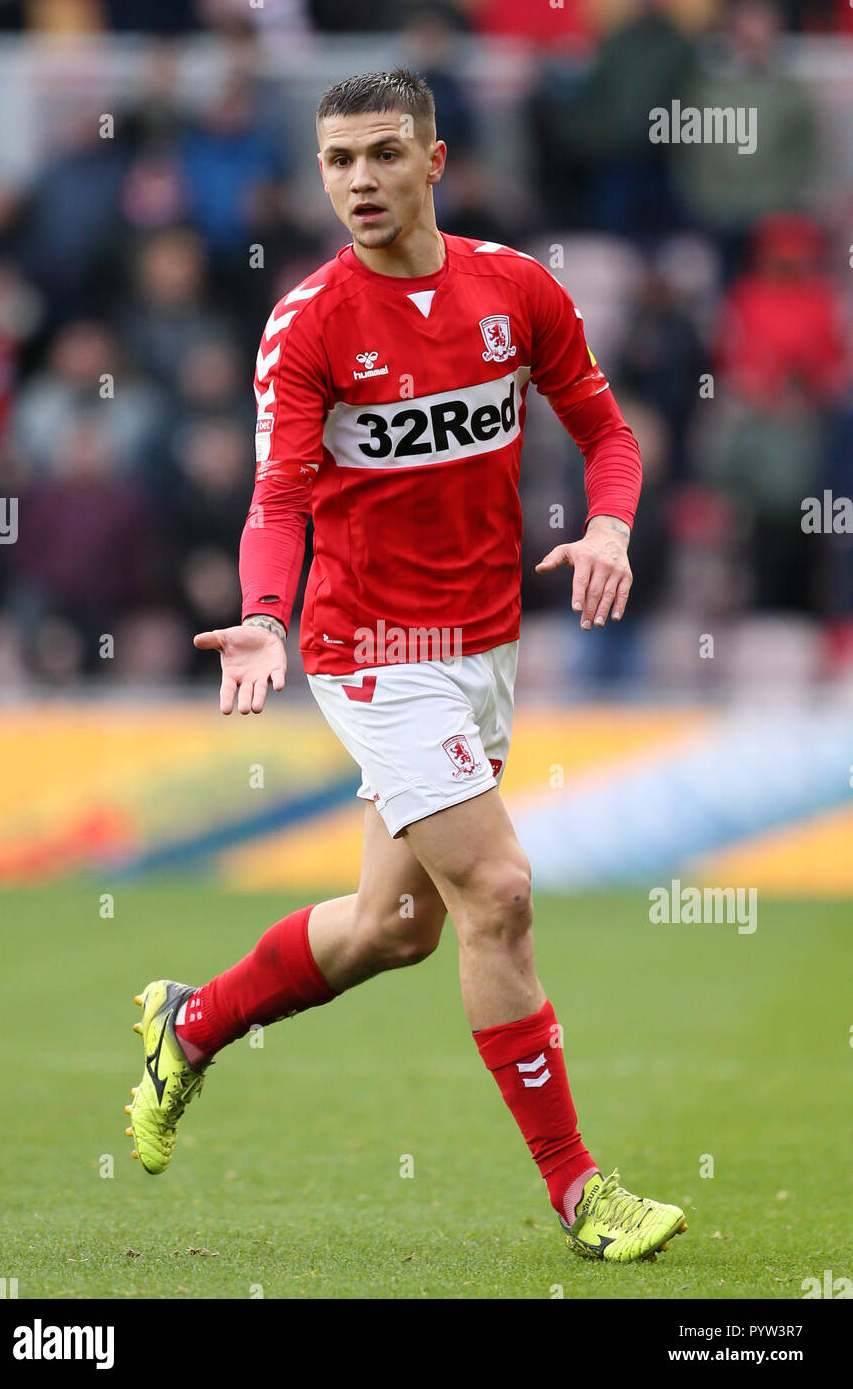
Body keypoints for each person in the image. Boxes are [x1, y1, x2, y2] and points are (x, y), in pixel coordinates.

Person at [125, 69, 687, 1266]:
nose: (359, 181)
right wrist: (264, 615)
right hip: (370, 650)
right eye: (336, 161)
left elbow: (604, 428)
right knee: (499, 892)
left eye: (383, 154)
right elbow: (276, 499)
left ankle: (192, 1020)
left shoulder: (515, 290)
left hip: (484, 642)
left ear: (434, 163)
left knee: (394, 928)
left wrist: (608, 528)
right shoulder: (311, 322)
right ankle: (579, 1190)